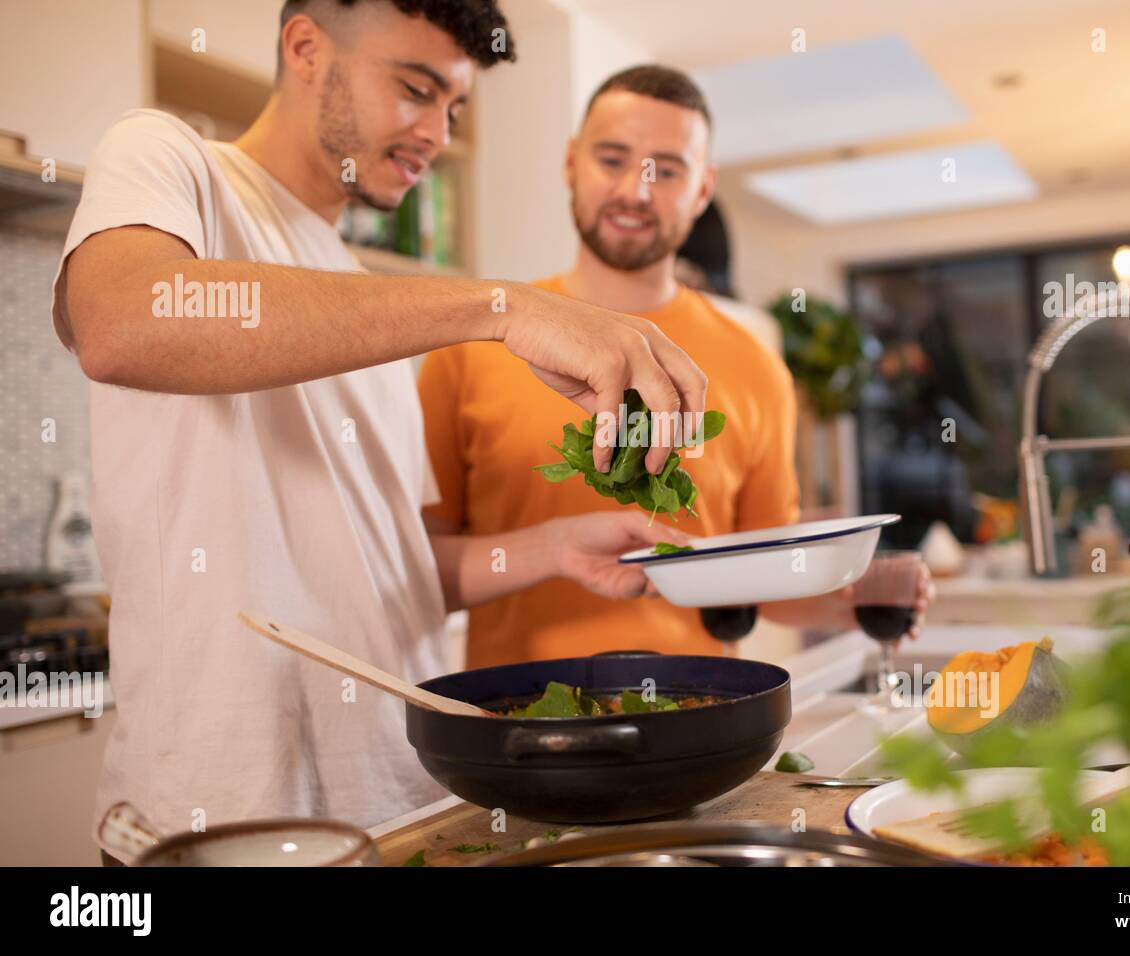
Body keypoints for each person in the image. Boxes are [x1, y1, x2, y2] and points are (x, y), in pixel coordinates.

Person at [54, 0, 708, 844]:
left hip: (397, 814)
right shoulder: (173, 163)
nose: (436, 130)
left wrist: (552, 550)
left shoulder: (359, 291)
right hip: (225, 824)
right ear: (306, 48)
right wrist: (500, 305)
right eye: (415, 88)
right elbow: (121, 321)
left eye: (455, 108)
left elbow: (395, 574)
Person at [419, 65, 930, 669]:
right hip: (513, 730)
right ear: (570, 162)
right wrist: (547, 550)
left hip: (704, 717)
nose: (636, 191)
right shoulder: (477, 342)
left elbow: (763, 580)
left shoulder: (756, 366)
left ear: (704, 188)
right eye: (612, 160)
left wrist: (852, 593)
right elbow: (419, 573)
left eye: (665, 170)